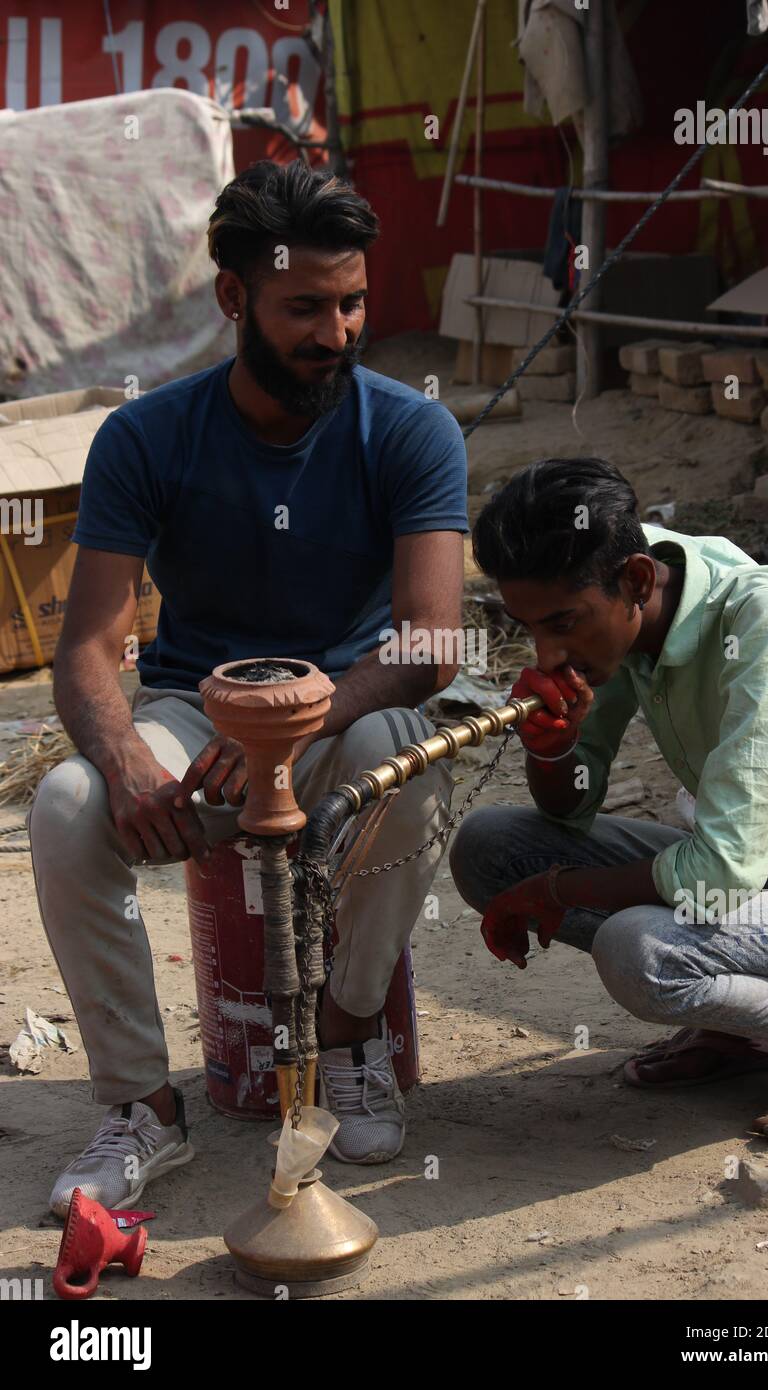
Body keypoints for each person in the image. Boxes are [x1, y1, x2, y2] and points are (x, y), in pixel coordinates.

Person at [31, 160, 468, 1215]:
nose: (336, 331)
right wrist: (133, 762)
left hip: (349, 703)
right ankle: (142, 1105)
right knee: (68, 805)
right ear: (235, 299)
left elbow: (431, 636)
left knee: (396, 770)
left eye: (353, 301)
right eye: (304, 307)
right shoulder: (146, 436)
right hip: (195, 716)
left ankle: (354, 1035)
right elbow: (88, 646)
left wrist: (306, 709)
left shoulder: (410, 429)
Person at [449, 456, 768, 1143]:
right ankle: (745, 1027)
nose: (547, 655)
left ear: (637, 580)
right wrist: (551, 747)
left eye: (563, 623)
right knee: (490, 848)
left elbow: (724, 872)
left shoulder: (763, 617)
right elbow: (567, 811)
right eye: (530, 629)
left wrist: (558, 891)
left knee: (639, 950)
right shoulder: (626, 608)